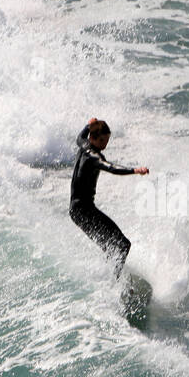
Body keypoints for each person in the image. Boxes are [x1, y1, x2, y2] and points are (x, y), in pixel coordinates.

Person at [69, 118, 148, 277]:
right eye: (101, 140)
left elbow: (79, 136)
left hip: (78, 210)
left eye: (107, 140)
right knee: (122, 245)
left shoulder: (83, 145)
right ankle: (115, 282)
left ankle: (108, 278)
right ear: (92, 138)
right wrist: (134, 170)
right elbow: (111, 168)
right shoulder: (93, 156)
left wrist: (87, 125)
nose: (104, 144)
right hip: (83, 210)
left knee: (112, 246)